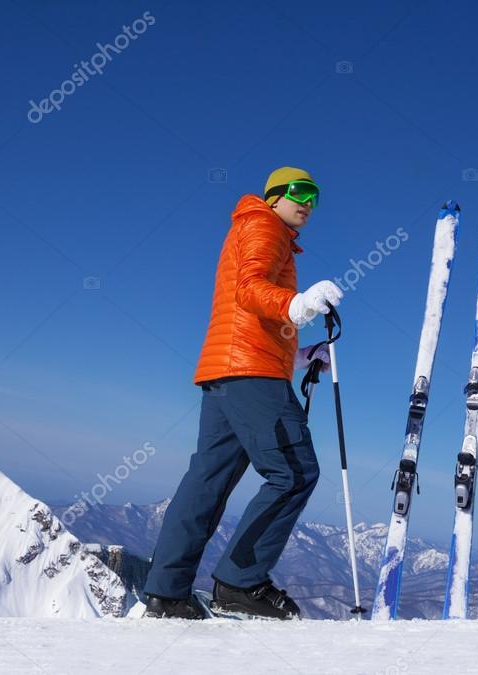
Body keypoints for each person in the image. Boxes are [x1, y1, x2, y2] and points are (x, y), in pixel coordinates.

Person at [143, 167, 343, 619]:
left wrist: (300, 354)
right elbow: (250, 288)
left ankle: (167, 590)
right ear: (274, 196)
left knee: (208, 481)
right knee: (293, 472)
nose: (307, 201)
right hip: (251, 373)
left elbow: (245, 314)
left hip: (228, 370)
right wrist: (300, 303)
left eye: (314, 195)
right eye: (299, 191)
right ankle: (240, 582)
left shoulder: (256, 227)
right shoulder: (264, 225)